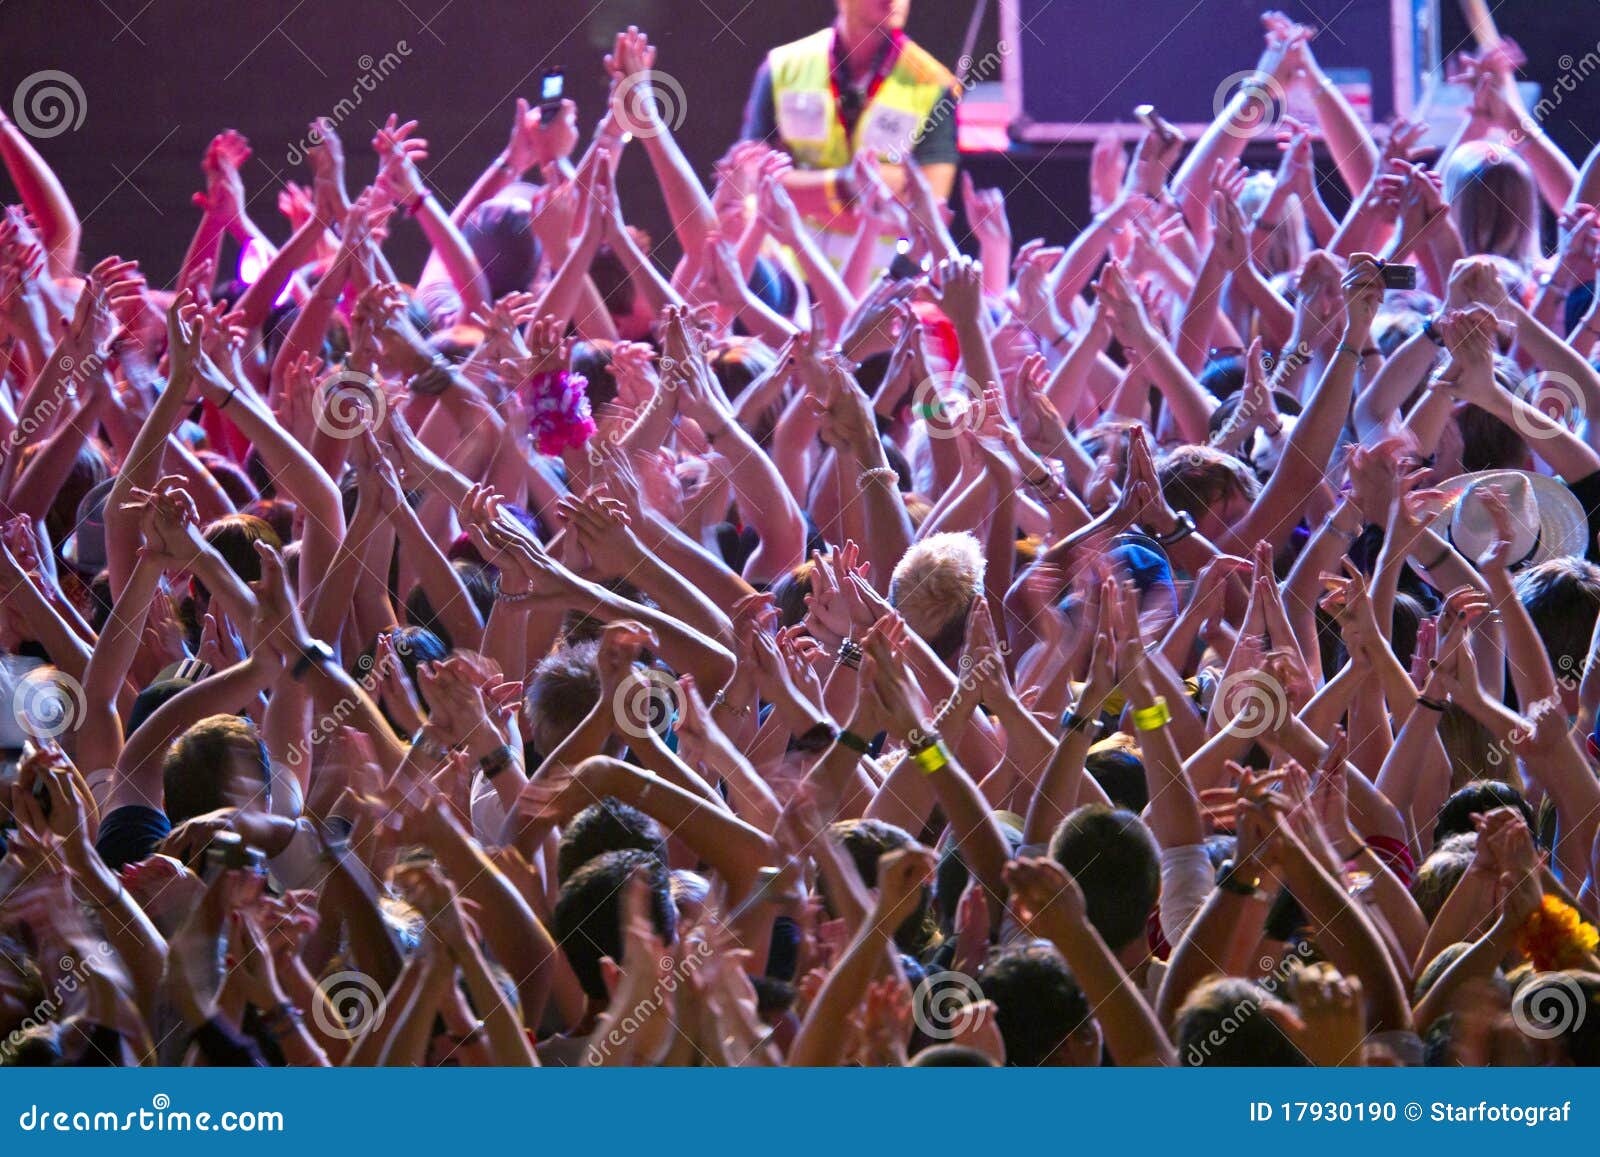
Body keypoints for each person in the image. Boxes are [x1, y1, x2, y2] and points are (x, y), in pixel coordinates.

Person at [1, 10, 1599, 1073]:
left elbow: (935, 744)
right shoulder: (1081, 873)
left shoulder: (895, 858)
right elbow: (1027, 760)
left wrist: (206, 564)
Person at [741, 0, 959, 262]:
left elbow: (928, 220)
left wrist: (798, 191)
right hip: (787, 280)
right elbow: (752, 185)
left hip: (878, 287)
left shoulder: (934, 84)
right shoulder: (783, 66)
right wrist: (848, 186)